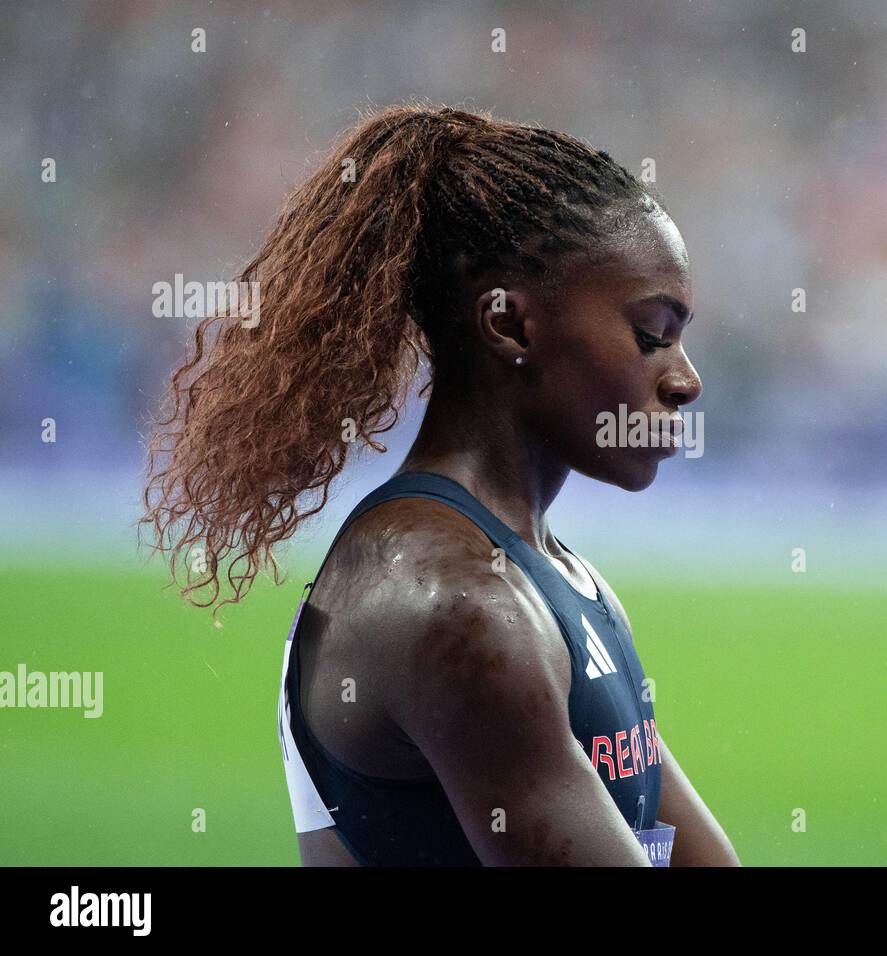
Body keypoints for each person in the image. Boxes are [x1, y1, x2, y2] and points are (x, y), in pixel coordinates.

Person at [140, 104, 740, 866]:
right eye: (652, 333)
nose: (685, 381)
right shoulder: (450, 601)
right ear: (510, 327)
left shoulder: (558, 580)